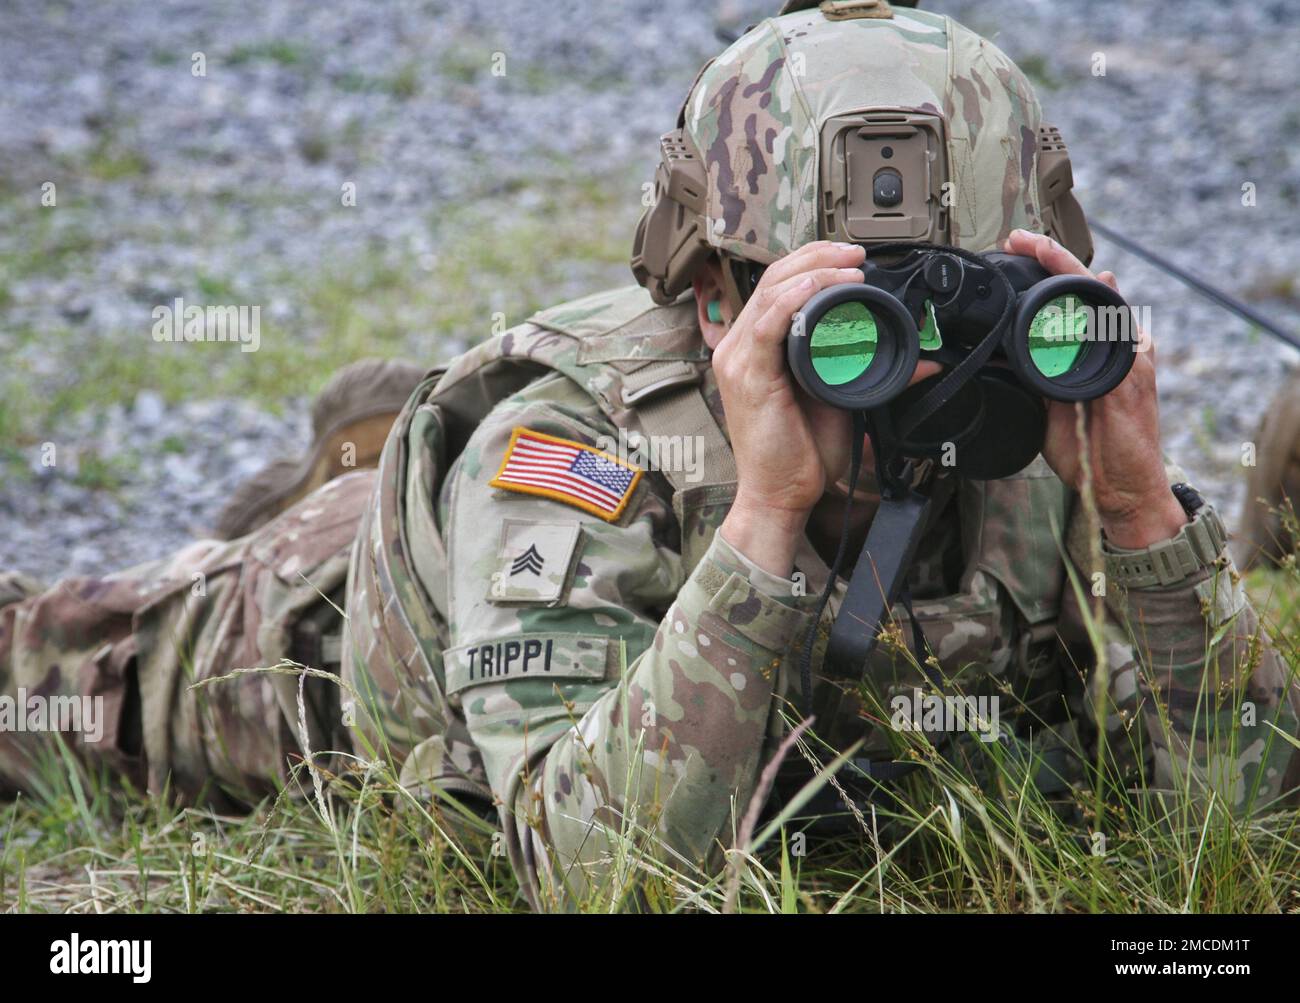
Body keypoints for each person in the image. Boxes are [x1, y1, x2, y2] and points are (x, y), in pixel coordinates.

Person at [2, 1, 1297, 912]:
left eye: (960, 314)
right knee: (62, 675)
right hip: (325, 640)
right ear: (717, 302)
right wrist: (768, 522)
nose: (917, 374)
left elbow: (1249, 817)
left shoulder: (1024, 433)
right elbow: (596, 875)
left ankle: (372, 438)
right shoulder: (573, 449)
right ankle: (365, 470)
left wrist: (1141, 516)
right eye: (850, 327)